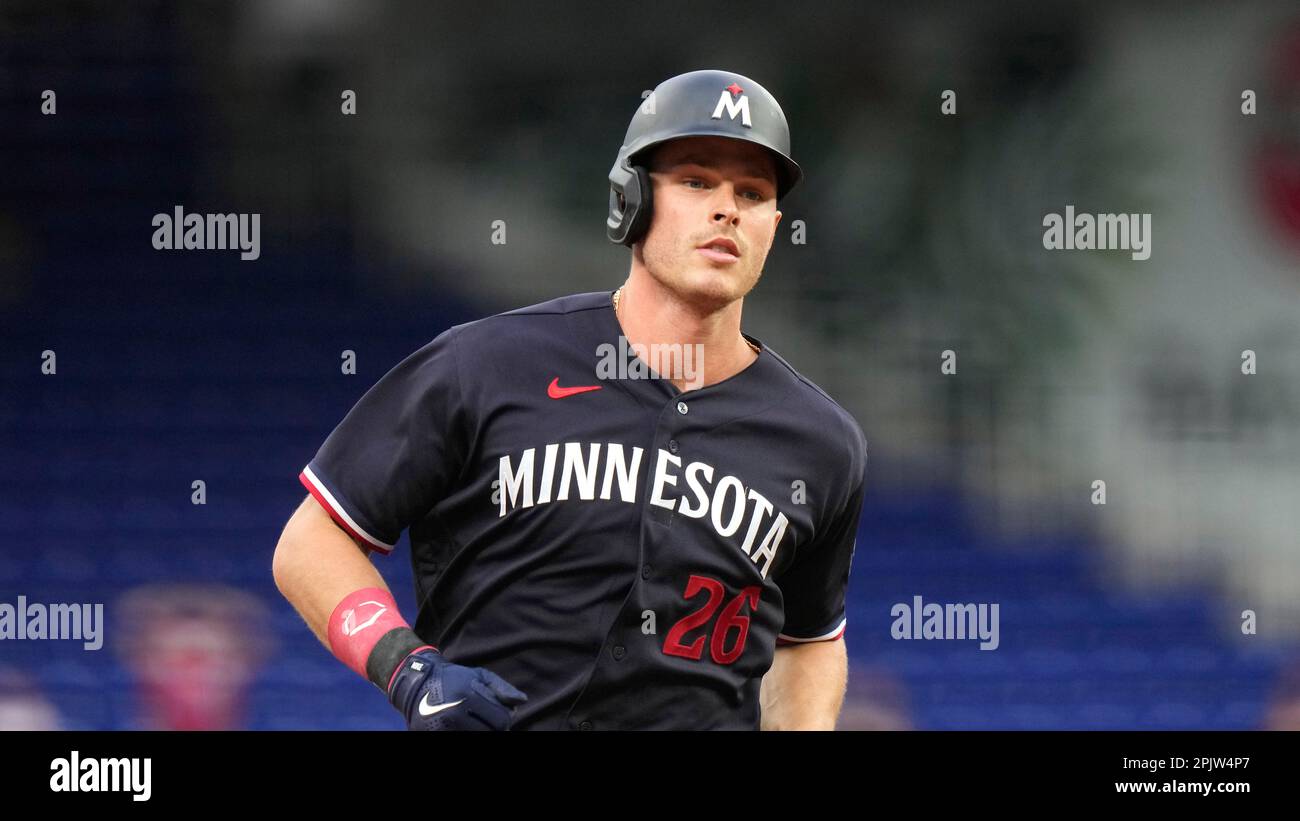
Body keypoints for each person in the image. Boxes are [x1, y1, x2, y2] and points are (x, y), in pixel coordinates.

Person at [273, 69, 868, 730]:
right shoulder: (488, 363)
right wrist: (407, 668)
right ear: (630, 199)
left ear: (773, 224)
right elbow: (311, 540)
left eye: (752, 193)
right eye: (697, 181)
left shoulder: (821, 441)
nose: (727, 208)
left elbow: (810, 637)